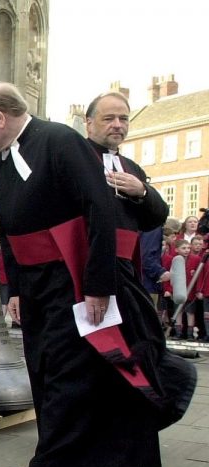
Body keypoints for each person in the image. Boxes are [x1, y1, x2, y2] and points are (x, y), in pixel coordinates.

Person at [0, 82, 195, 467]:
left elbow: (99, 211)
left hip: (71, 278)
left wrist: (98, 285)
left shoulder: (58, 140)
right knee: (42, 366)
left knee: (70, 371)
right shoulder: (1, 161)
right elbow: (9, 229)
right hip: (35, 284)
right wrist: (14, 288)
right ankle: (53, 456)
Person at [81, 91, 170, 310]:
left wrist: (142, 191)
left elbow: (155, 218)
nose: (118, 125)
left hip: (125, 268)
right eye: (109, 118)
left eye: (123, 119)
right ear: (89, 123)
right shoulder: (75, 159)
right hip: (83, 266)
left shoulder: (132, 167)